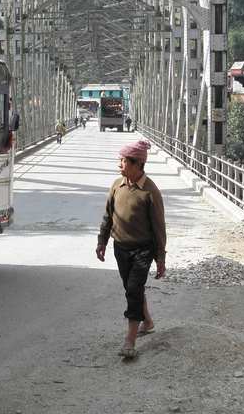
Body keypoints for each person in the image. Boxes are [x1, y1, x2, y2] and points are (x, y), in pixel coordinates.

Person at [95, 140, 166, 359]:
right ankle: (148, 321)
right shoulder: (117, 185)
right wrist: (102, 241)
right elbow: (108, 215)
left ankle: (130, 339)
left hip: (142, 250)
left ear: (137, 164)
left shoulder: (150, 191)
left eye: (124, 161)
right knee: (131, 288)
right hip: (120, 248)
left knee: (134, 289)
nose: (120, 165)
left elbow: (159, 228)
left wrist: (160, 258)